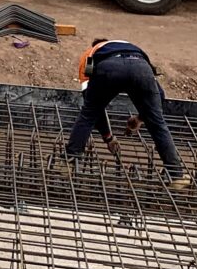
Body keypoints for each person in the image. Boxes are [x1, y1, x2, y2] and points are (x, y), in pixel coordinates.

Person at [65, 37, 190, 186]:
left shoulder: (90, 54)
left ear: (96, 45)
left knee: (88, 114)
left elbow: (90, 102)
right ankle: (176, 175)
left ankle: (68, 163)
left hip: (109, 69)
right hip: (141, 68)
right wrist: (142, 118)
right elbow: (159, 96)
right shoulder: (134, 50)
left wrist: (108, 137)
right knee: (157, 122)